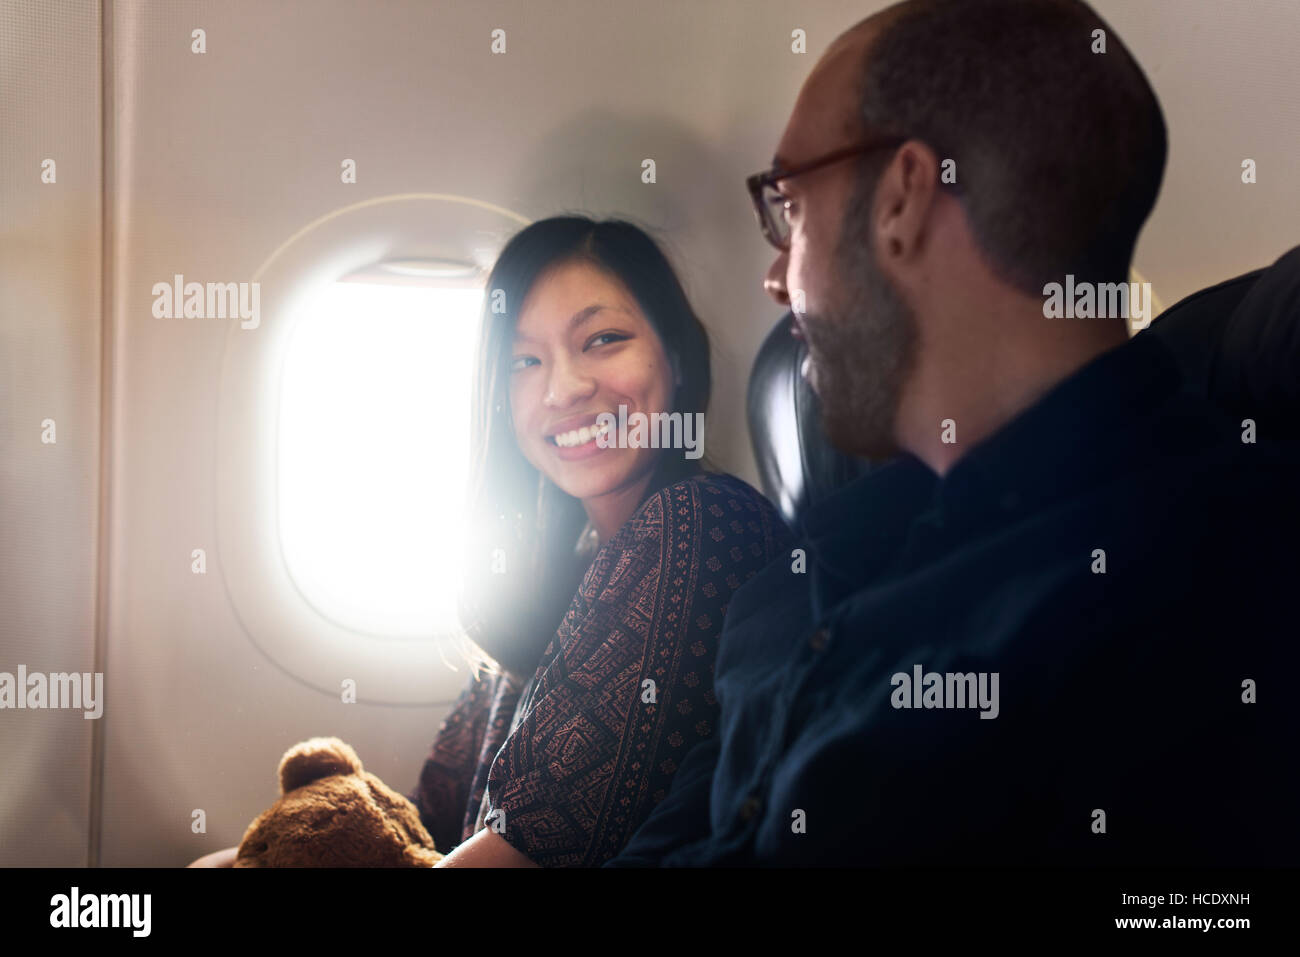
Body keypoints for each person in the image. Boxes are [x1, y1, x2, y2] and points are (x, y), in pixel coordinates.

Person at [607, 0, 1300, 867]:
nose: (776, 276)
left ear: (901, 198)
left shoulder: (1184, 595)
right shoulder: (809, 578)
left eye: (788, 206)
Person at [188, 216, 791, 868]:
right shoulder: (554, 575)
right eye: (524, 361)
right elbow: (428, 820)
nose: (564, 388)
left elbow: (517, 855)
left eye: (604, 338)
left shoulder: (704, 525)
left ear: (675, 356)